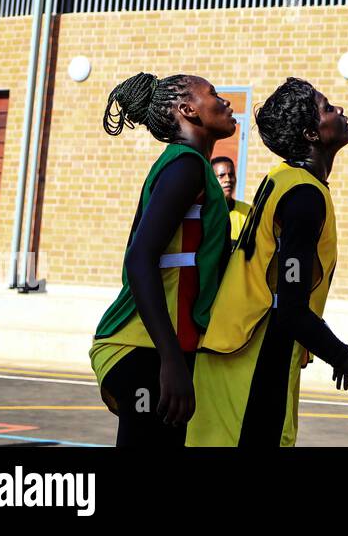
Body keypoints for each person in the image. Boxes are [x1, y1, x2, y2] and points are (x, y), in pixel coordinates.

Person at [187, 78, 348, 446]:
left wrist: (325, 345)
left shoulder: (284, 178)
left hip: (239, 354)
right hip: (253, 362)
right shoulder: (303, 197)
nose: (340, 110)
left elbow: (281, 287)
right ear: (311, 134)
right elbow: (291, 311)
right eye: (328, 107)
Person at [90, 72, 238, 447]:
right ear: (188, 110)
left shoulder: (187, 165)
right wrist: (170, 361)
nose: (226, 102)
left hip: (161, 347)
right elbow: (139, 259)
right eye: (214, 94)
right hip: (145, 348)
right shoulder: (185, 166)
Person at [212, 155, 252, 241]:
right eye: (221, 175)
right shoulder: (204, 212)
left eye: (231, 174)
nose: (228, 179)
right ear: (211, 180)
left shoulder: (248, 212)